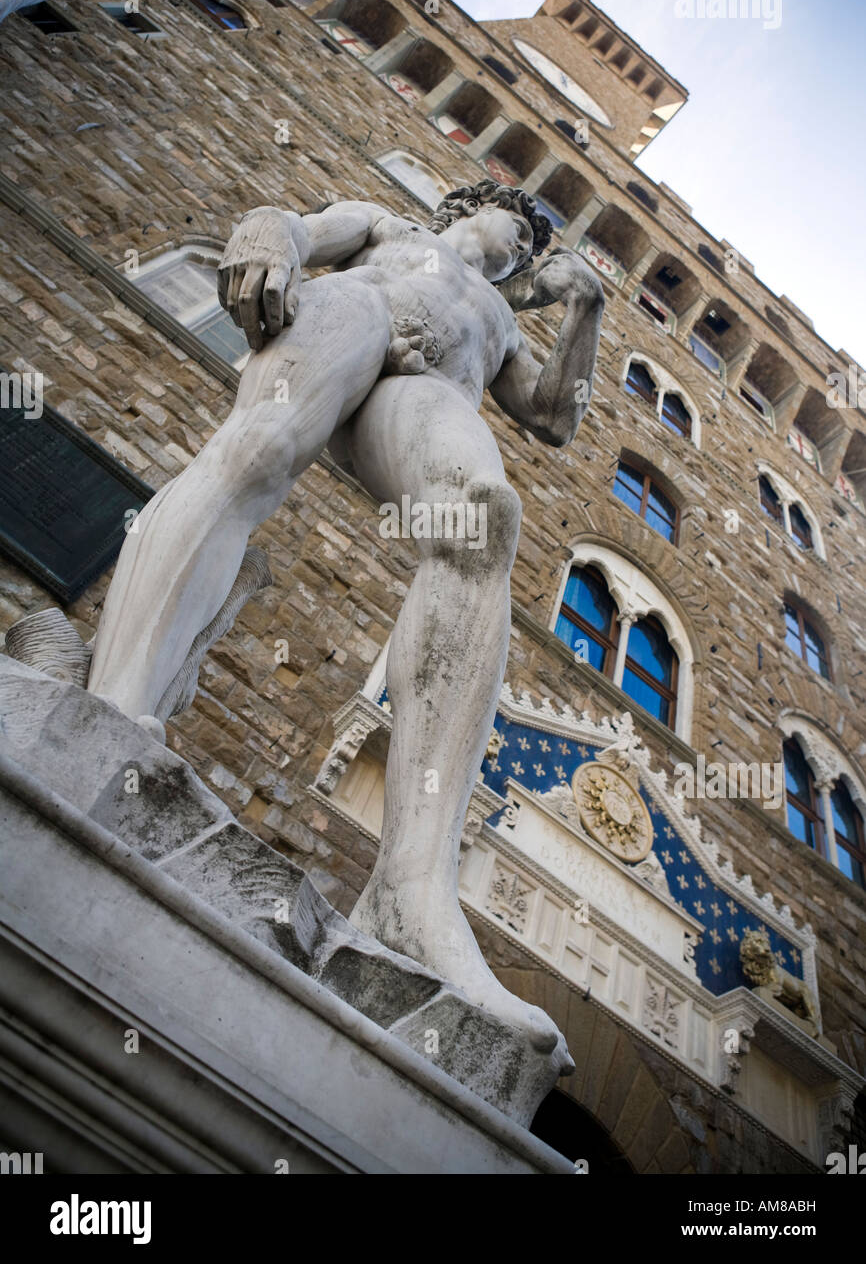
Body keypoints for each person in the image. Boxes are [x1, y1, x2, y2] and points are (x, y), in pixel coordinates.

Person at [88, 180, 603, 1049]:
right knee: (260, 450)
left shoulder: (503, 320)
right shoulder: (394, 225)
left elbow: (555, 415)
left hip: (434, 393)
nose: (515, 247)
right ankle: (110, 713)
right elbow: (305, 227)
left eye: (527, 246)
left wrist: (587, 305)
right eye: (509, 225)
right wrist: (268, 230)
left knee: (483, 521)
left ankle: (413, 891)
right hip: (359, 309)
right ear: (463, 209)